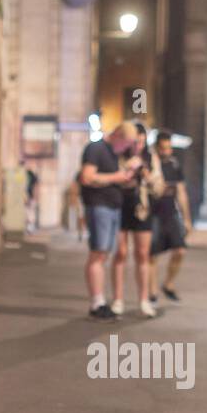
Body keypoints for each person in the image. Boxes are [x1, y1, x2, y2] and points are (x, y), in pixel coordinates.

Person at [79, 123, 141, 320]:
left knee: (103, 254)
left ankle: (99, 301)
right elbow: (87, 177)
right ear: (117, 135)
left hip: (111, 207)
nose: (126, 149)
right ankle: (97, 303)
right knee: (98, 253)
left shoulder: (113, 153)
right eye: (127, 144)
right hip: (100, 206)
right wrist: (117, 176)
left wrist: (126, 176)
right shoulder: (96, 148)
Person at [115, 121, 161, 318]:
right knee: (121, 253)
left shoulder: (151, 158)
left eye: (142, 142)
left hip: (142, 209)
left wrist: (147, 175)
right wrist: (127, 170)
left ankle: (143, 300)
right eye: (135, 142)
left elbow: (159, 187)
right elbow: (113, 178)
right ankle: (118, 299)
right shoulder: (118, 156)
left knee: (143, 254)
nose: (138, 147)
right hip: (119, 207)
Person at [148, 130, 192, 304]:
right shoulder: (150, 164)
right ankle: (152, 292)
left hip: (170, 213)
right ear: (156, 147)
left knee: (180, 250)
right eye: (163, 148)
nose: (166, 151)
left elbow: (181, 192)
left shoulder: (174, 165)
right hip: (153, 214)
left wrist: (187, 219)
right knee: (153, 255)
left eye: (169, 148)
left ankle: (168, 284)